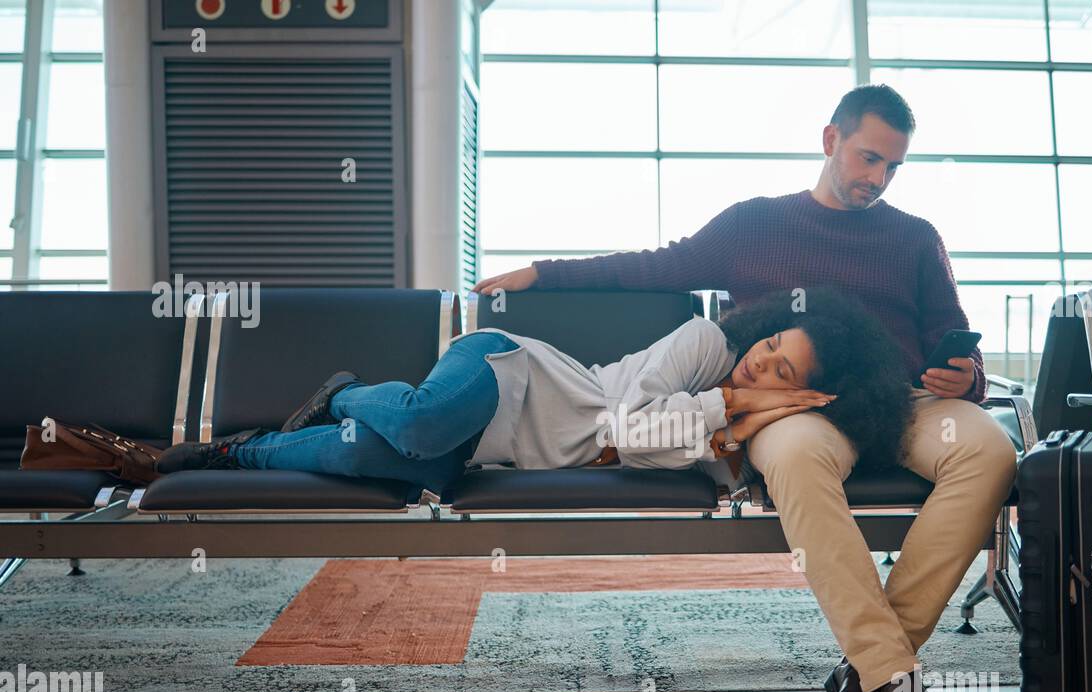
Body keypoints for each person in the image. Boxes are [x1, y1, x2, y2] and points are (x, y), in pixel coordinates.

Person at [471, 84, 1019, 692]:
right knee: (791, 457)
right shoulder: (753, 225)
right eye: (867, 157)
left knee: (992, 452)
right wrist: (539, 273)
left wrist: (966, 379)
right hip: (793, 407)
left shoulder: (914, 238)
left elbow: (953, 340)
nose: (875, 178)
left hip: (902, 401)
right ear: (830, 140)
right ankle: (894, 677)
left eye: (891, 167)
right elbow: (651, 267)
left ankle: (871, 669)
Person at [157, 289, 914, 510]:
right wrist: (739, 404)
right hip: (511, 375)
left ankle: (230, 449)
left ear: (808, 396)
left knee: (373, 459)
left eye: (783, 374)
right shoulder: (701, 345)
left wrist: (753, 416)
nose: (763, 360)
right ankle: (352, 392)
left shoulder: (746, 432)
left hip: (497, 445)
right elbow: (622, 427)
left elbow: (644, 451)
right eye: (773, 344)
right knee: (417, 421)